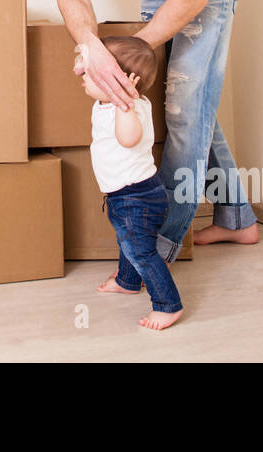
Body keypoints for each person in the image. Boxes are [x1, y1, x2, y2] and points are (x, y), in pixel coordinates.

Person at [7, 0, 257, 264]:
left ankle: (155, 254)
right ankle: (236, 218)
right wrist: (90, 47)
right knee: (185, 98)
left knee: (184, 103)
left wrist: (133, 48)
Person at [79, 35, 183, 329]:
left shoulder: (129, 109)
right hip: (123, 196)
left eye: (92, 72)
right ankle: (127, 280)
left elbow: (129, 139)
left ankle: (167, 304)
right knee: (127, 241)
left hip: (137, 197)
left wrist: (123, 104)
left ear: (123, 83)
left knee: (140, 250)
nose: (84, 74)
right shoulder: (106, 102)